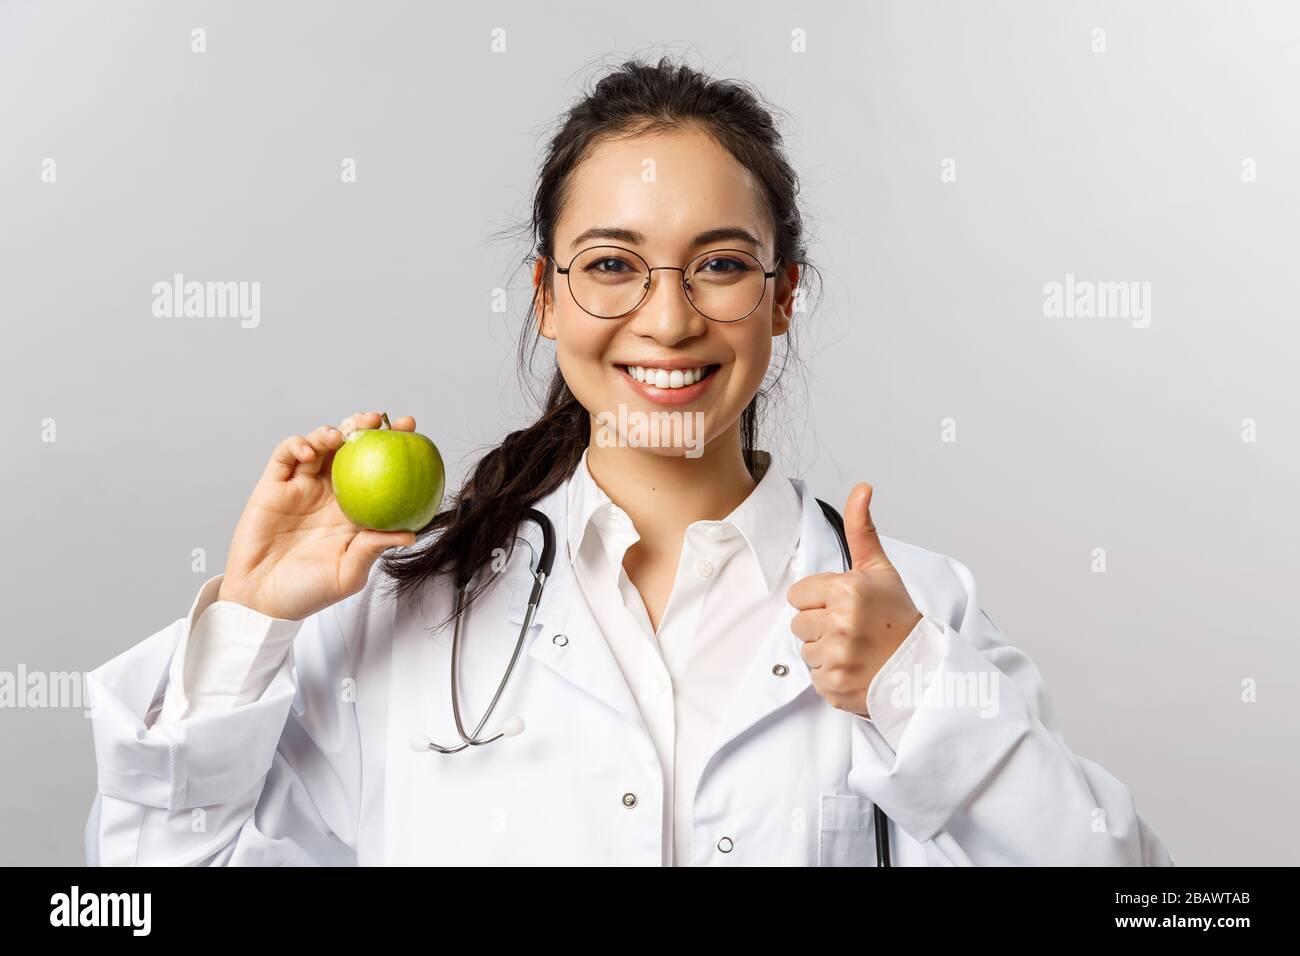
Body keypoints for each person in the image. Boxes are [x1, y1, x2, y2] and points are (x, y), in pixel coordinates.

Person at [84, 57, 1172, 866]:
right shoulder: (399, 613)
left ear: (782, 297)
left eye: (720, 265)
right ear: (547, 293)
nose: (667, 318)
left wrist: (920, 696)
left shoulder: (904, 613)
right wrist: (251, 627)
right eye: (612, 264)